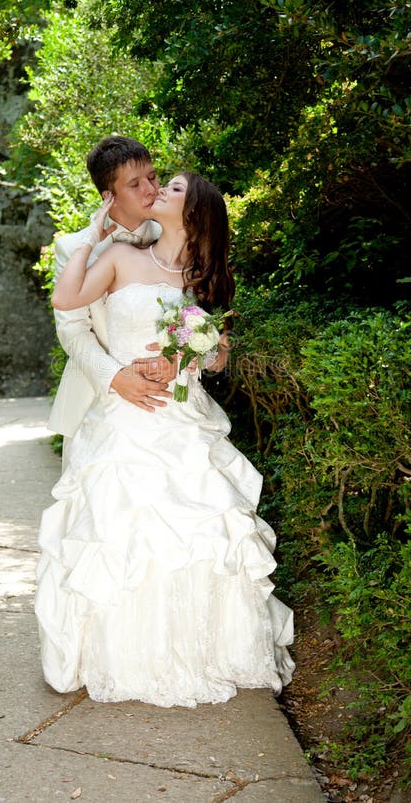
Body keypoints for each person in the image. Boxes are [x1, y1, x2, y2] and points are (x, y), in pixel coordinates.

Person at [35, 171, 295, 708]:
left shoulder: (202, 279)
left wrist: (198, 353)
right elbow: (67, 307)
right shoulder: (120, 255)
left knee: (203, 529)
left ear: (193, 213)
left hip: (182, 416)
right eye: (154, 183)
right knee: (121, 531)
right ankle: (122, 653)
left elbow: (213, 354)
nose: (156, 192)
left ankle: (203, 650)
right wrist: (93, 230)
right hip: (123, 415)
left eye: (170, 188)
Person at [48, 136, 177, 465]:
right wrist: (115, 377)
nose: (151, 189)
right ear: (109, 196)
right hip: (99, 402)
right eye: (135, 184)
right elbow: (73, 331)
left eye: (152, 176)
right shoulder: (73, 249)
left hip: (171, 403)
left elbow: (200, 314)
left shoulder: (176, 236)